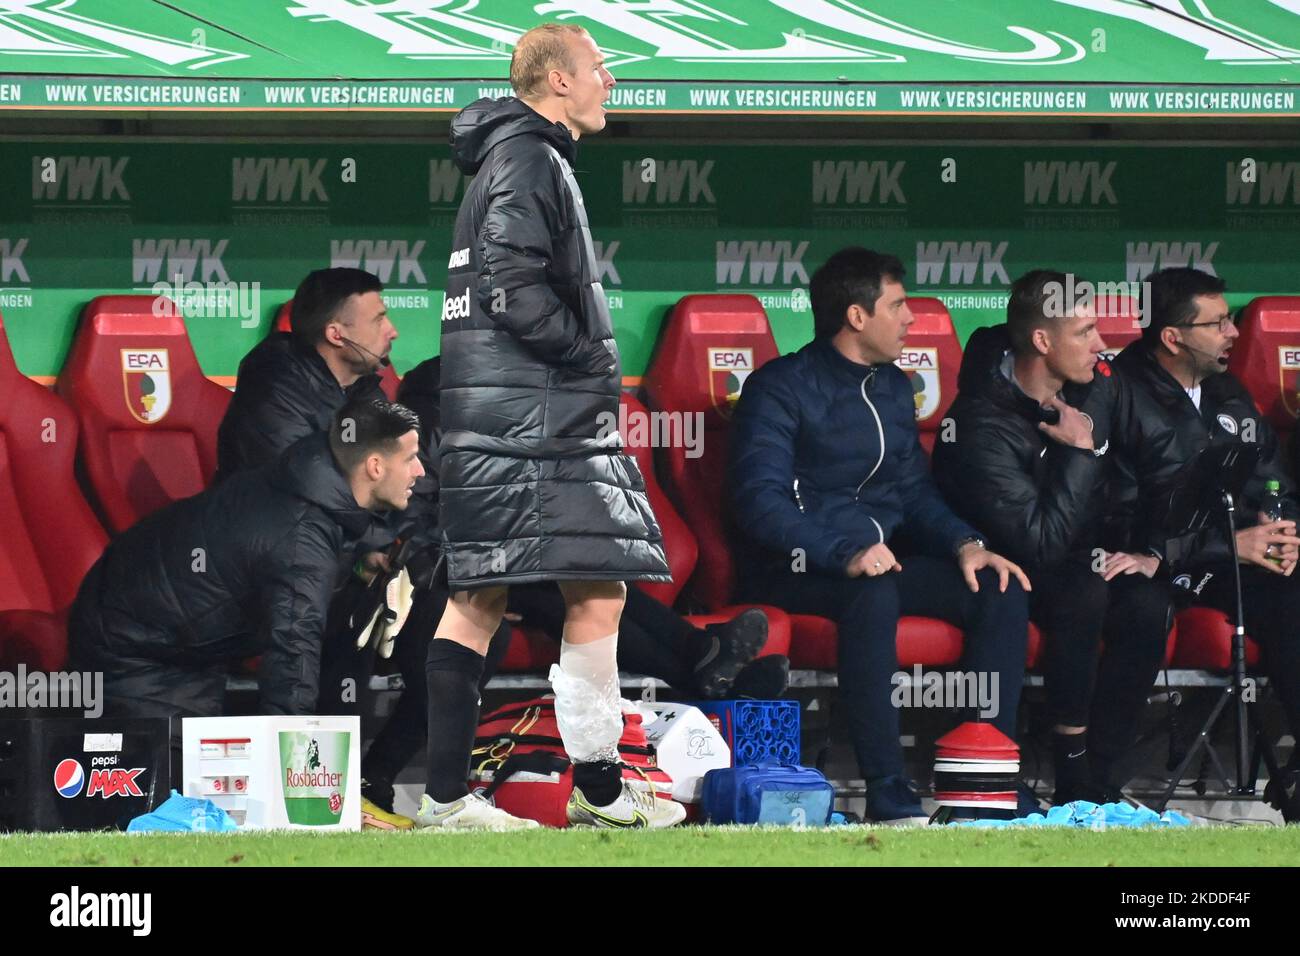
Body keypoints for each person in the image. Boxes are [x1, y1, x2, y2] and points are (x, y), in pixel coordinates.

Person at [422, 23, 680, 830]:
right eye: (600, 69)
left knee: (482, 597)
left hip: (499, 415)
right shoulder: (532, 157)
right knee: (591, 588)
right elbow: (512, 286)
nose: (611, 82)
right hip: (535, 419)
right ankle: (596, 793)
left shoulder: (513, 155)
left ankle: (450, 800)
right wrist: (587, 362)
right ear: (558, 82)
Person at [729, 246, 1032, 825]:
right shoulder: (780, 387)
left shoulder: (893, 387)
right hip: (796, 568)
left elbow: (913, 492)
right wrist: (843, 554)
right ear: (857, 316)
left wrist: (964, 543)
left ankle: (983, 778)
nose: (912, 320)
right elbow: (758, 504)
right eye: (899, 305)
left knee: (998, 588)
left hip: (881, 563)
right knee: (874, 593)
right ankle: (888, 788)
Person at [214, 267, 499, 830]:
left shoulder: (366, 394)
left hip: (347, 562)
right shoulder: (274, 390)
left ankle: (379, 780)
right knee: (353, 613)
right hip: (265, 577)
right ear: (338, 335)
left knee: (469, 622)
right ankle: (324, 798)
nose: (393, 330)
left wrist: (402, 550)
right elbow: (305, 499)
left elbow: (410, 483)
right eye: (379, 318)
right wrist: (374, 547)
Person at [399, 357, 789, 700]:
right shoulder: (431, 423)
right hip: (451, 576)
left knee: (589, 580)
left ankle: (704, 658)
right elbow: (412, 529)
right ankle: (706, 666)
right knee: (572, 594)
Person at [933, 270, 1175, 803]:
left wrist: (1154, 552)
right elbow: (1038, 543)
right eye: (1085, 332)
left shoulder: (1100, 384)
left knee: (1146, 603)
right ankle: (1069, 768)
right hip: (1010, 565)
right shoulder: (978, 424)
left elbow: (1165, 462)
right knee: (1082, 590)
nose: (1102, 345)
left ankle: (1101, 782)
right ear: (1042, 342)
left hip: (1079, 554)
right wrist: (1081, 452)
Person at [69, 399, 424, 720]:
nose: (420, 471)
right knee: (176, 789)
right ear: (375, 466)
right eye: (410, 459)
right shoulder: (303, 534)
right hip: (134, 653)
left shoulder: (308, 479)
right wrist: (295, 763)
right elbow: (292, 657)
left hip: (162, 634)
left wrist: (356, 567)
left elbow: (278, 562)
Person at [1109, 267, 1300, 821]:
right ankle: (1097, 790)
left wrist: (1283, 530)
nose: (1235, 334)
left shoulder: (1226, 389)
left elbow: (1273, 480)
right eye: (1217, 323)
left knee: (1293, 592)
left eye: (1231, 320)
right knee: (1140, 610)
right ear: (1173, 337)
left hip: (1225, 561)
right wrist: (1229, 544)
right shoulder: (1120, 393)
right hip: (1157, 566)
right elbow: (1125, 523)